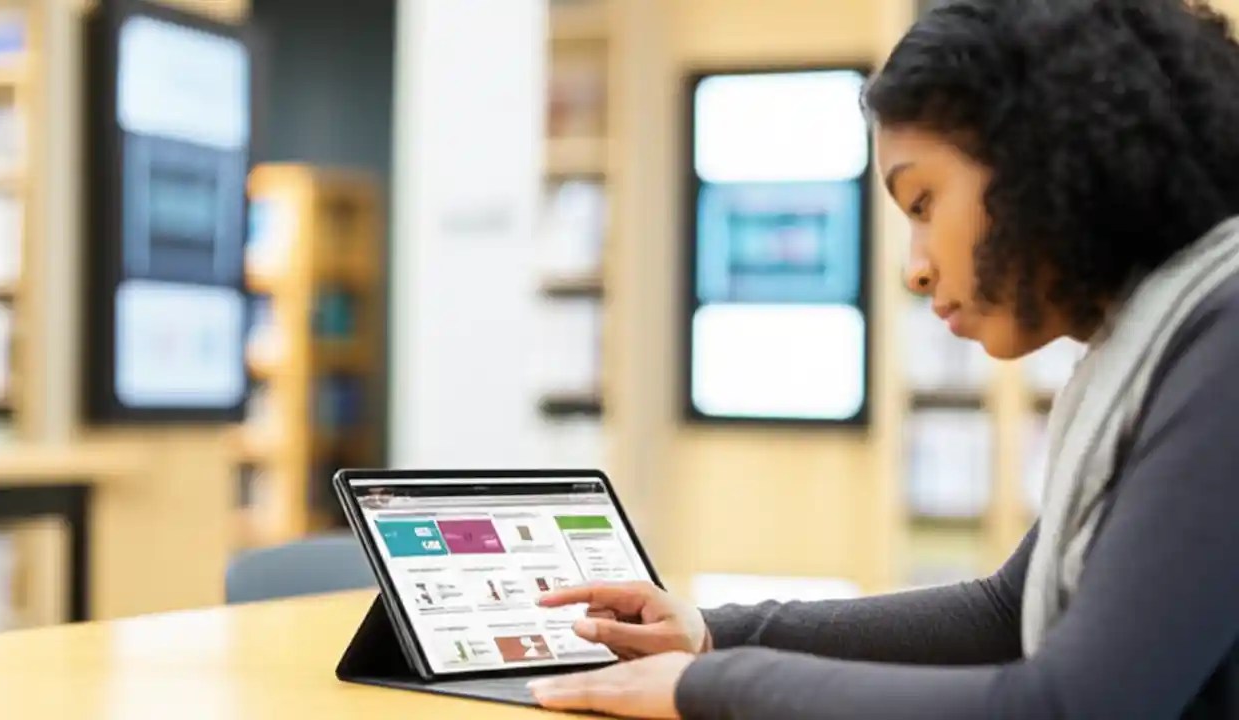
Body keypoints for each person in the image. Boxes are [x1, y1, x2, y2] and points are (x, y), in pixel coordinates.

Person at [526, 0, 1239, 717]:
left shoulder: (1224, 343)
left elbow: (1069, 706)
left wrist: (707, 687)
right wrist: (712, 636)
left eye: (924, 203)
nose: (916, 269)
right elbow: (1001, 615)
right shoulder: (1175, 334)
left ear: (1049, 159)